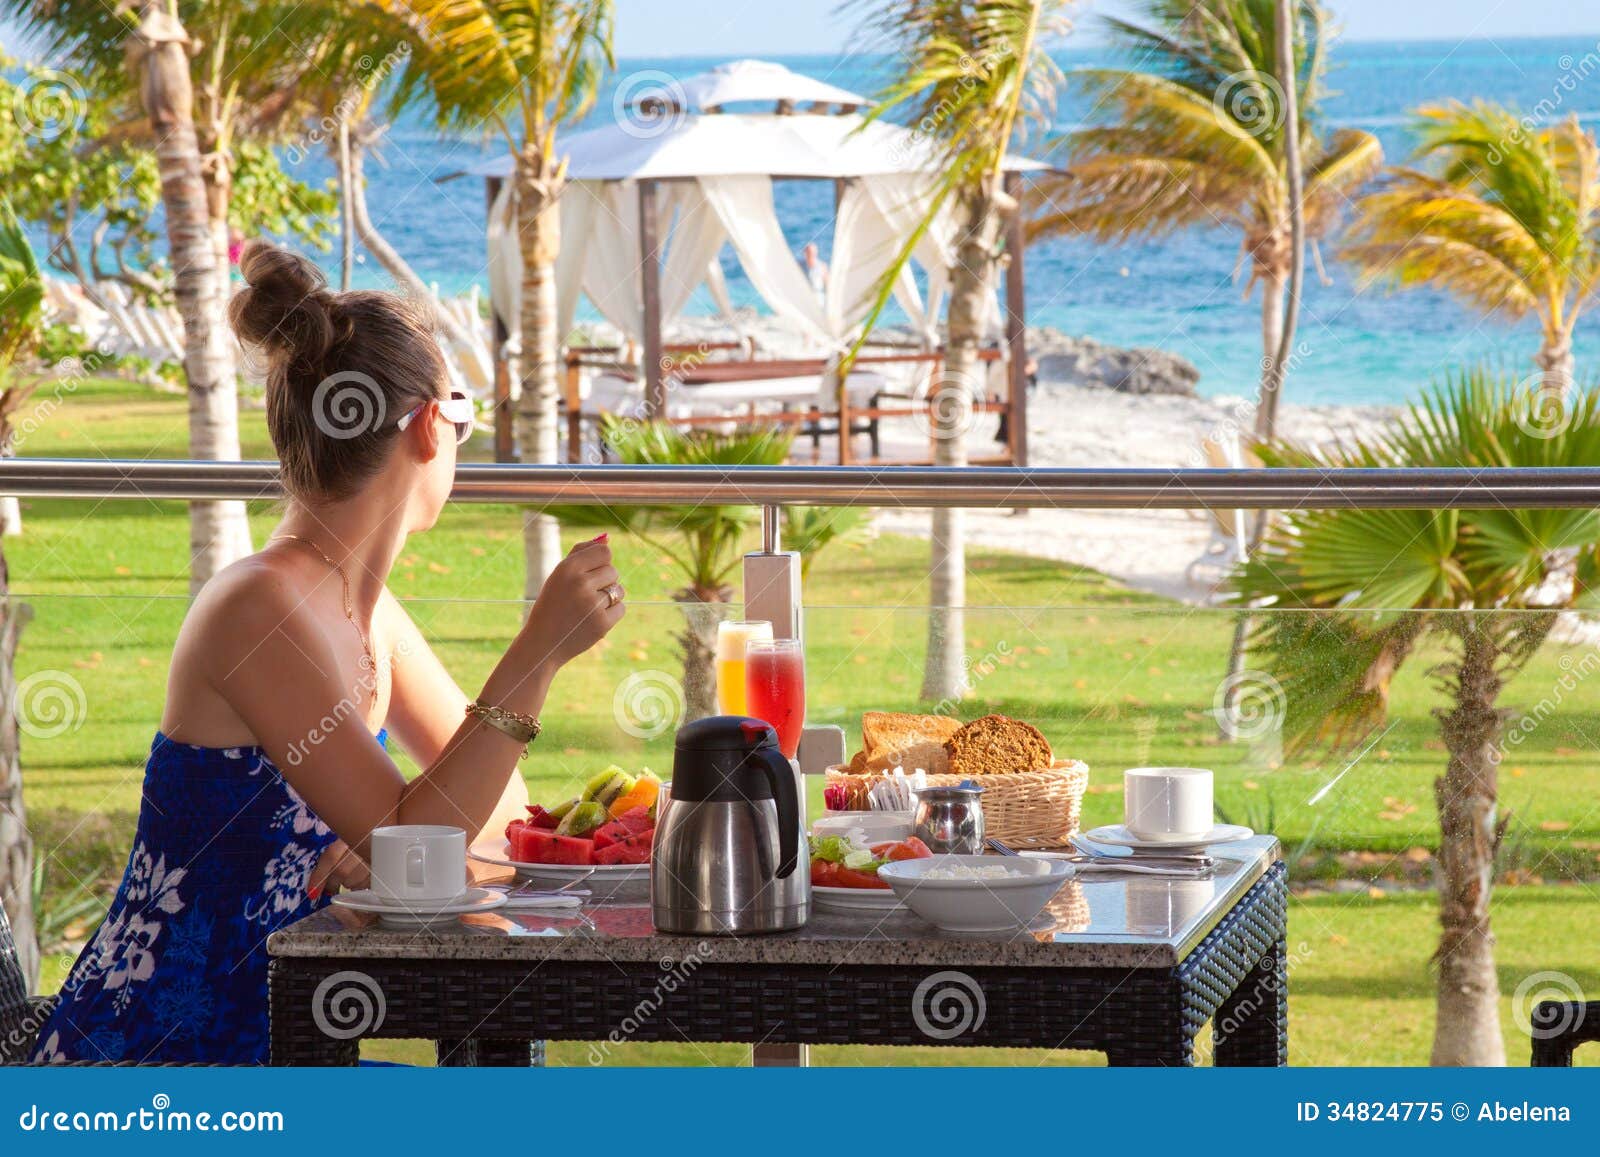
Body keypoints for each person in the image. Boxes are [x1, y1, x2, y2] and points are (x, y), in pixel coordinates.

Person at [32, 243, 625, 1065]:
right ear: (427, 427)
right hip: (162, 1064)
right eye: (463, 418)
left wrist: (379, 845)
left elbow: (496, 810)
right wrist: (537, 655)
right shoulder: (259, 609)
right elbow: (427, 841)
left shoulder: (370, 616)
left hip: (284, 1043)